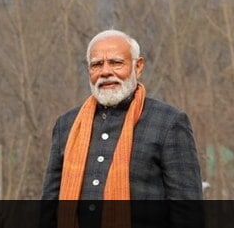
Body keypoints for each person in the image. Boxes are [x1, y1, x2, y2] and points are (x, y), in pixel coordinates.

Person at [42, 30, 202, 226]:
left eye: (116, 63)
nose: (106, 72)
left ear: (138, 66)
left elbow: (187, 212)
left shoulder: (169, 122)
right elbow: (49, 208)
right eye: (97, 64)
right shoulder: (66, 125)